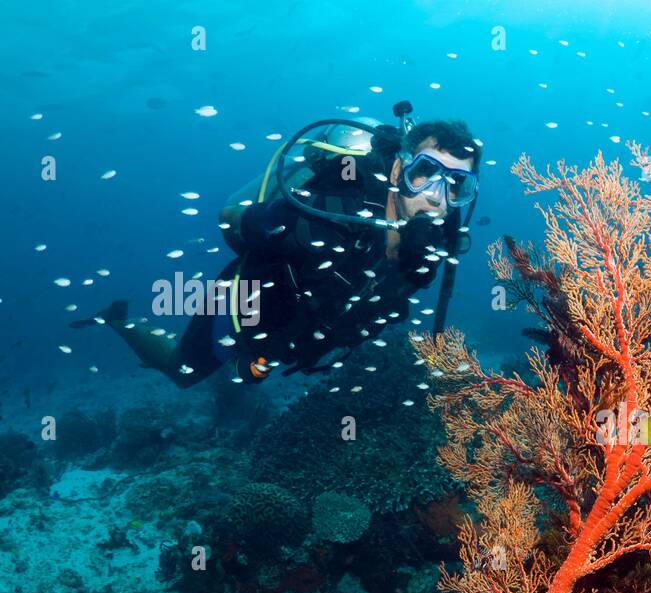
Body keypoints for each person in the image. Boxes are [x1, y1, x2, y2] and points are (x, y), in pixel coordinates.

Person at [80, 107, 480, 387]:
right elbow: (241, 224)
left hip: (304, 336)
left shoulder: (437, 243)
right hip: (244, 304)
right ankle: (118, 321)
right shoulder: (336, 205)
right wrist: (280, 223)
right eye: (426, 172)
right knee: (183, 371)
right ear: (399, 169)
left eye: (456, 184)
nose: (436, 196)